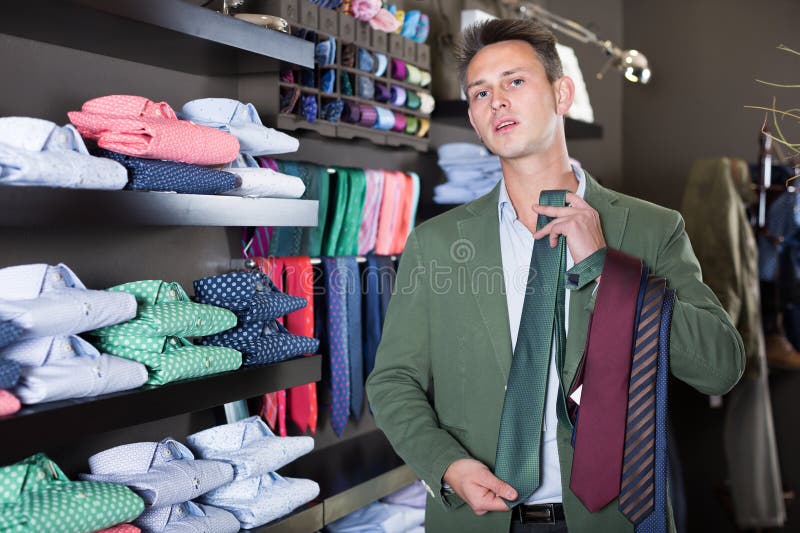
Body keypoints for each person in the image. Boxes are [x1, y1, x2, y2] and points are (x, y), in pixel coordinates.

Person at [365, 17, 745, 533]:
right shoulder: (434, 244)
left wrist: (605, 268)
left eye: (514, 82)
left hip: (613, 519)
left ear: (561, 93)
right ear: (474, 120)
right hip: (480, 520)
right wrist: (446, 466)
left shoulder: (653, 228)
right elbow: (393, 381)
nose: (496, 101)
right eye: (480, 92)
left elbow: (719, 367)